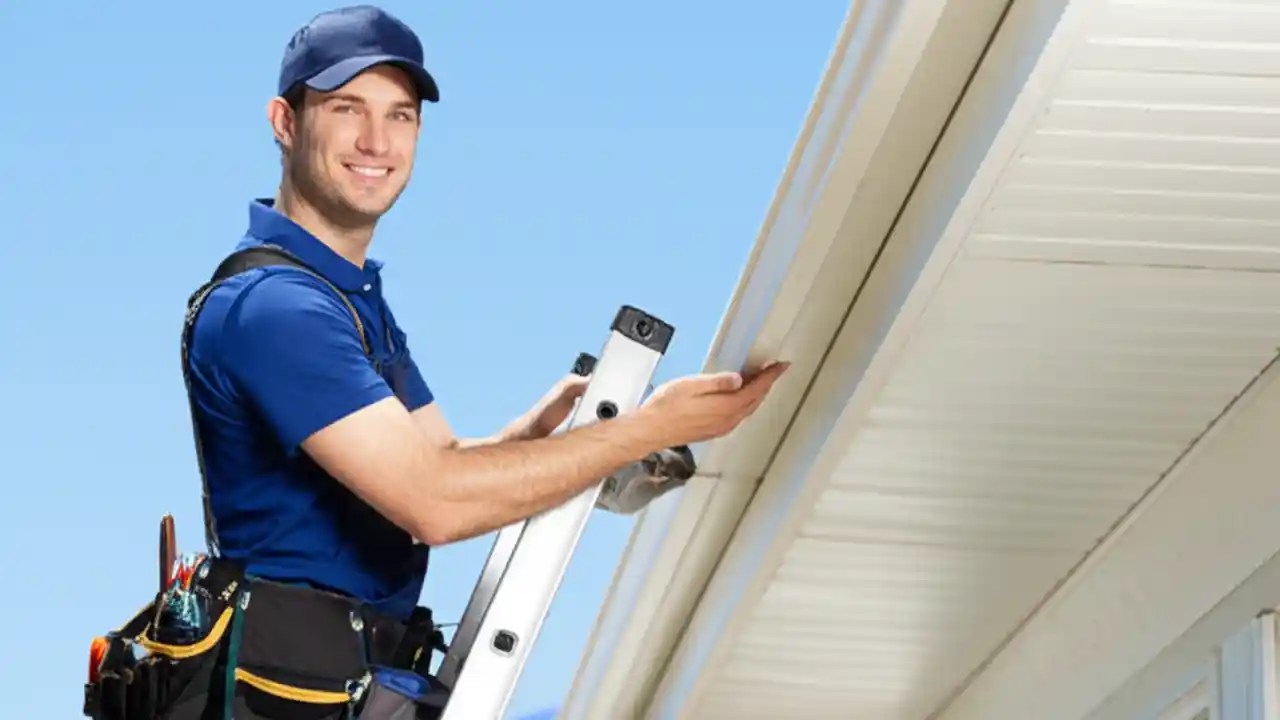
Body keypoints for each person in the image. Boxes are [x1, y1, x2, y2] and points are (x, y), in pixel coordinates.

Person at [87, 6, 788, 720]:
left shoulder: (348, 295)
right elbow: (435, 502)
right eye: (346, 108)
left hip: (356, 685)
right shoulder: (276, 310)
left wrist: (540, 434)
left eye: (401, 116)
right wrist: (637, 432)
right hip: (286, 697)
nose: (376, 141)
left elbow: (438, 458)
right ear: (285, 121)